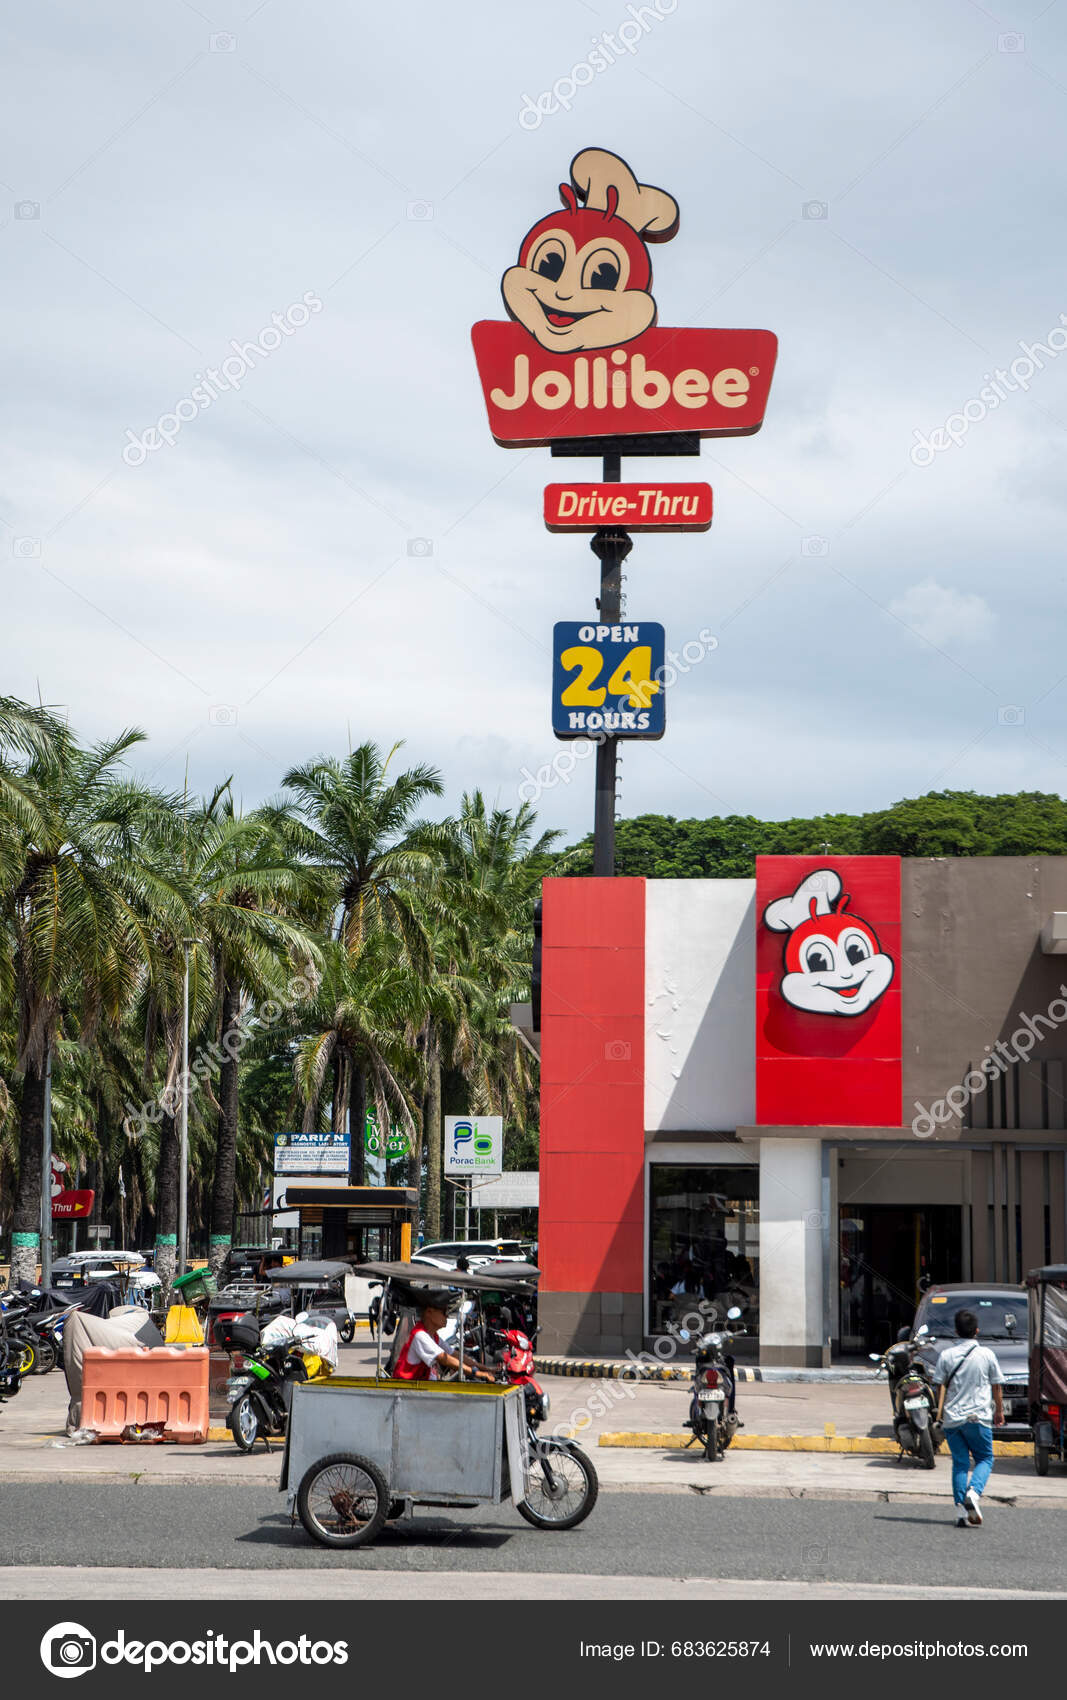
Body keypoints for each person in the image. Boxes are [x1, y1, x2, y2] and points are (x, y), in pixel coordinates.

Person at [934, 1308, 1005, 1527]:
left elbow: (939, 1386)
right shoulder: (987, 1354)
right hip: (978, 1417)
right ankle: (973, 1493)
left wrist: (939, 1412)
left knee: (960, 1464)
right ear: (977, 1331)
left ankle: (960, 1512)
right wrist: (999, 1411)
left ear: (956, 1331)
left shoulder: (946, 1355)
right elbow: (996, 1386)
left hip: (953, 1420)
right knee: (985, 1459)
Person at [392, 1291, 496, 1383]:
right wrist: (476, 1373)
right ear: (429, 1312)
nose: (447, 1316)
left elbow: (454, 1354)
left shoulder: (433, 1336)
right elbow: (444, 1359)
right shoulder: (420, 1335)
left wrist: (484, 1368)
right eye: (443, 1312)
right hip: (407, 1390)